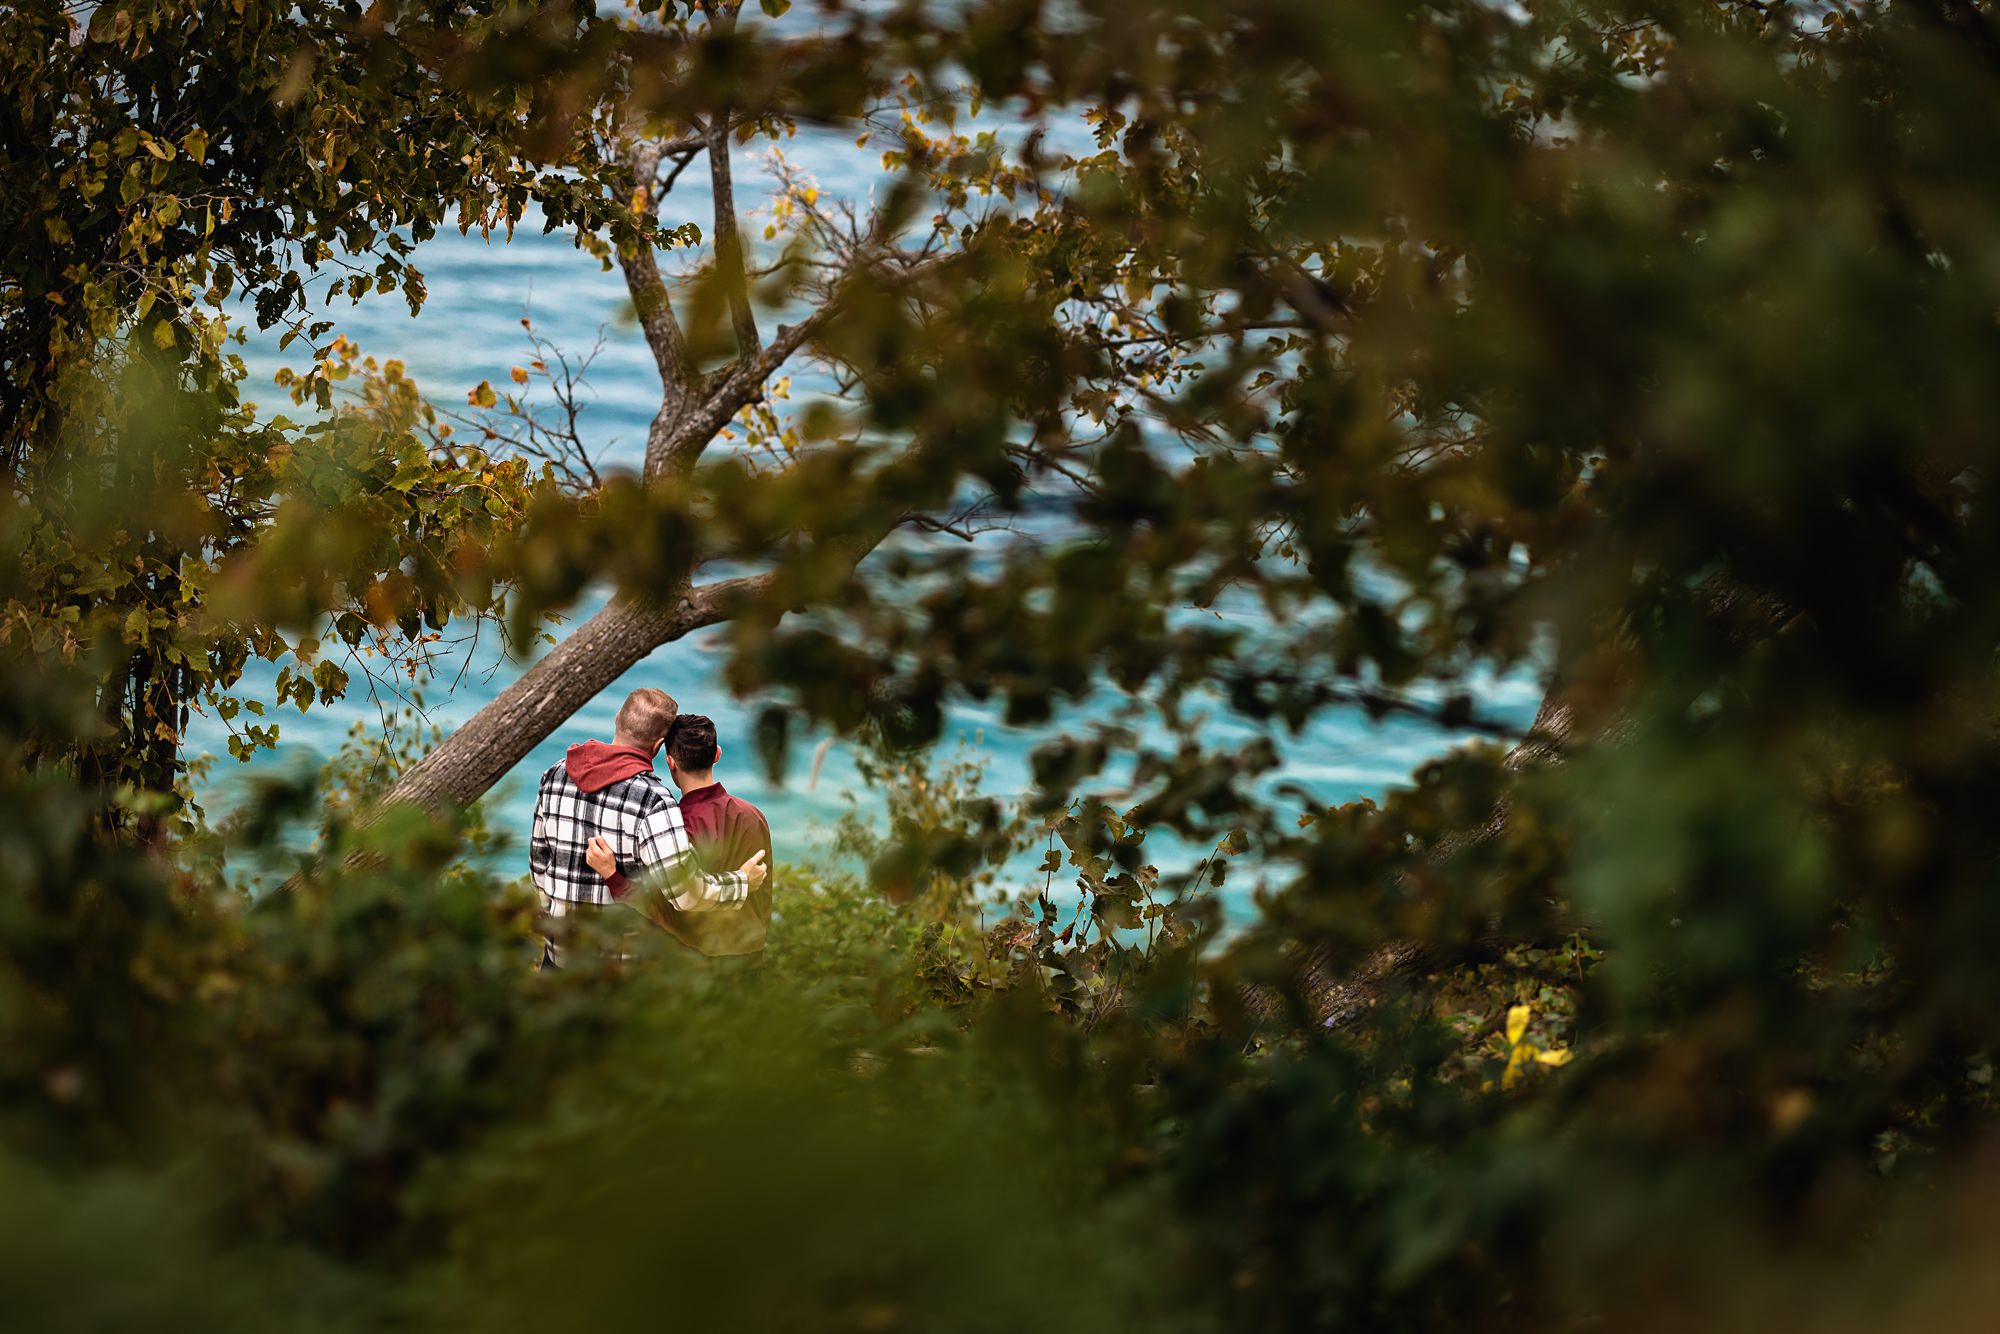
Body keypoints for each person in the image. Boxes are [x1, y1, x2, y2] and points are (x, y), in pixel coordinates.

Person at [529, 688, 768, 968]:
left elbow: (540, 868)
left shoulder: (555, 775)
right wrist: (741, 882)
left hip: (561, 956)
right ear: (658, 747)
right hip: (621, 970)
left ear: (618, 718)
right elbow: (686, 895)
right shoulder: (654, 801)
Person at [585, 713, 774, 968]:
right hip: (749, 955)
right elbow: (763, 896)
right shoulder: (753, 815)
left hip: (696, 959)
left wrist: (613, 876)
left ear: (670, 762)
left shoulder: (673, 827)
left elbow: (661, 910)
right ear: (717, 754)